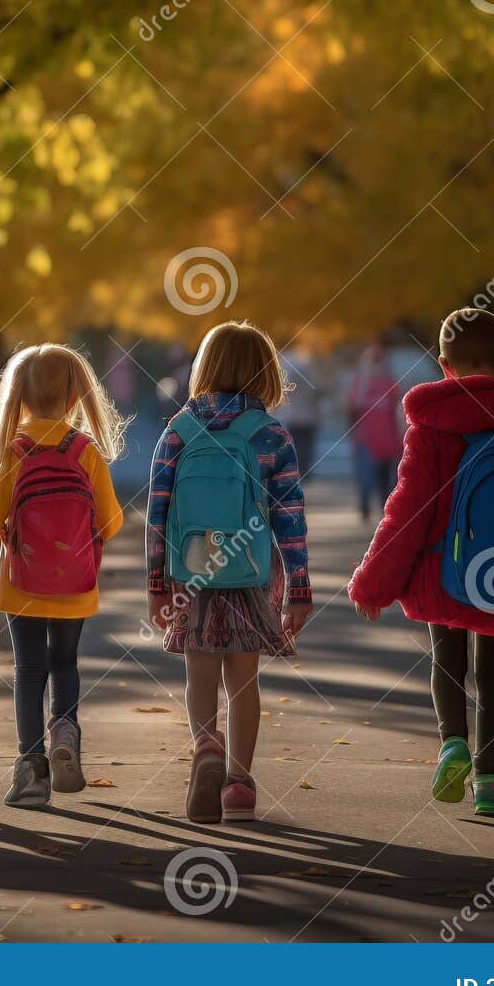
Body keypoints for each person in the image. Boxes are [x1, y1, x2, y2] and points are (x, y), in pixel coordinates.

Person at [348, 308, 494, 816]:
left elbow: (406, 511)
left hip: (440, 573)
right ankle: (490, 783)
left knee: (447, 663)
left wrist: (373, 583)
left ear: (444, 365)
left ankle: (452, 742)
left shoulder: (431, 425)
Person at [147, 322, 313, 823]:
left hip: (191, 571)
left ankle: (206, 748)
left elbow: (158, 512)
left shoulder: (178, 429)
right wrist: (299, 590)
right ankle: (238, 784)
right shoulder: (271, 433)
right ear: (266, 374)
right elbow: (291, 517)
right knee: (244, 678)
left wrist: (156, 583)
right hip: (252, 571)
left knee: (199, 669)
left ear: (205, 368)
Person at [0, 344, 126, 808]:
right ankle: (65, 730)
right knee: (65, 663)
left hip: (20, 586)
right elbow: (111, 522)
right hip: (75, 585)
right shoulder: (85, 452)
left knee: (28, 670)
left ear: (17, 396)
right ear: (77, 395)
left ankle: (31, 769)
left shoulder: (11, 453)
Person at [346, 339, 403, 519]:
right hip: (366, 438)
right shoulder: (361, 383)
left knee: (384, 475)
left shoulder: (390, 382)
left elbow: (400, 408)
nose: (376, 365)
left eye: (378, 360)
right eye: (373, 360)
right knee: (365, 474)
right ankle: (364, 505)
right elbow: (352, 407)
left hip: (387, 438)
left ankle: (384, 506)